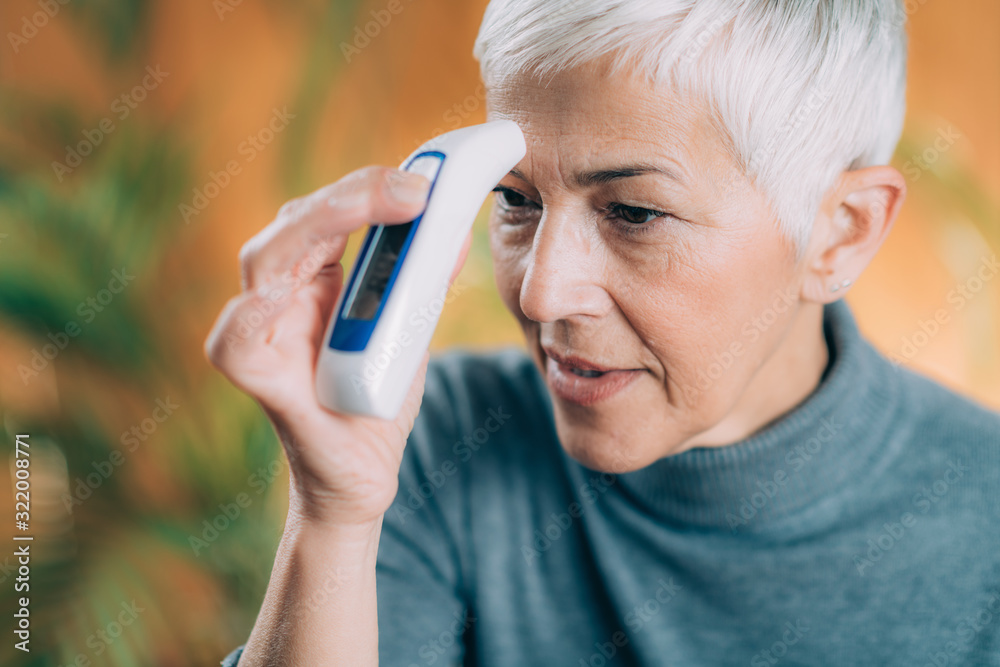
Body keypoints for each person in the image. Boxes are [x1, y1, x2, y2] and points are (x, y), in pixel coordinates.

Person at [210, 1, 1000, 664]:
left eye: (634, 213)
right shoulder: (438, 435)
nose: (540, 290)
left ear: (840, 233)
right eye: (516, 200)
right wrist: (335, 516)